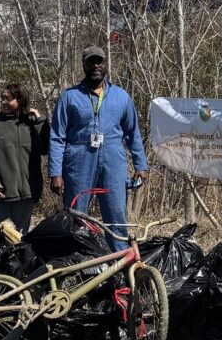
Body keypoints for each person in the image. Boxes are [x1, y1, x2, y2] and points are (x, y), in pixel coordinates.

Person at [48, 47, 148, 245]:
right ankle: (75, 259)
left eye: (99, 62)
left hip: (113, 159)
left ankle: (118, 259)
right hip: (78, 160)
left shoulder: (121, 96)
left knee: (116, 216)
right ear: (83, 65)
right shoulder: (69, 97)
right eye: (91, 62)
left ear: (105, 64)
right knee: (76, 216)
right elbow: (57, 136)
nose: (96, 66)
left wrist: (141, 165)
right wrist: (55, 172)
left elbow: (132, 133)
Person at [0, 81, 48, 233]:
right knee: (2, 235)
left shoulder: (31, 122)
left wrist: (40, 121)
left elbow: (45, 148)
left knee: (21, 236)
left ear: (20, 100)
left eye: (8, 99)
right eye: (2, 98)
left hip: (27, 192)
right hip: (1, 193)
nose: (3, 102)